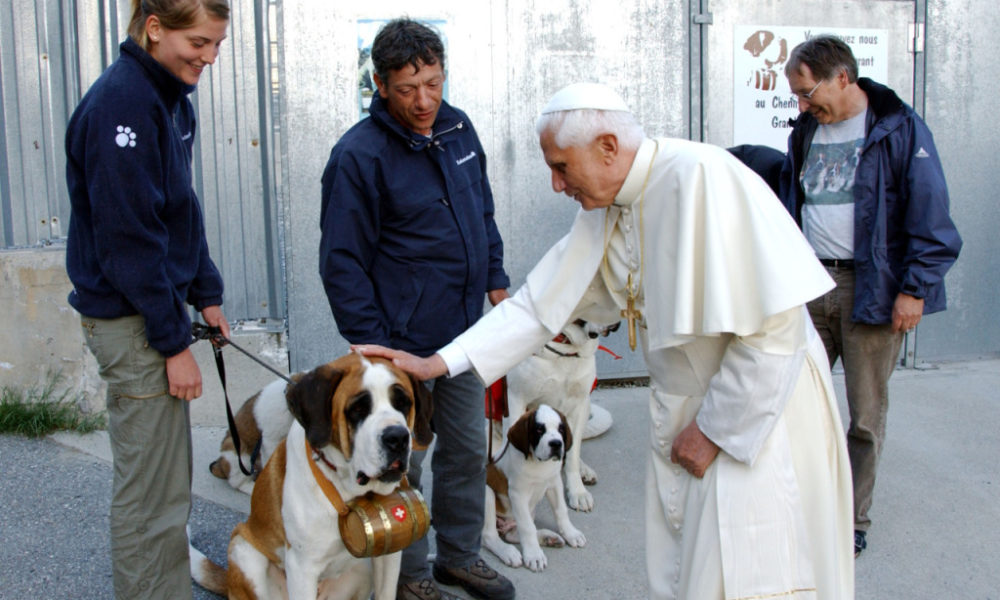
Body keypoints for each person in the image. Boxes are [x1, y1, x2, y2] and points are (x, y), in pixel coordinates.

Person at [359, 82, 855, 600]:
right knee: (694, 567)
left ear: (608, 147)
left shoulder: (704, 178)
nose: (557, 185)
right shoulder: (608, 206)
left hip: (756, 409)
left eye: (561, 167)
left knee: (754, 565)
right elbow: (536, 306)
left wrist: (715, 430)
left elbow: (775, 330)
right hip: (691, 405)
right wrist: (436, 364)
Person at [318, 18, 514, 600]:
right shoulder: (358, 157)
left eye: (433, 83)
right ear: (380, 85)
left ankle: (460, 556)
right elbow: (341, 261)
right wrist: (373, 347)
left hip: (464, 336)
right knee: (404, 460)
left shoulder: (458, 128)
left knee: (467, 449)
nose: (424, 101)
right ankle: (409, 574)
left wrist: (496, 280)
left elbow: (482, 213)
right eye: (407, 89)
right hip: (400, 344)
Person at [63, 0, 231, 598]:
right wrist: (172, 343)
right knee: (149, 497)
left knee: (166, 484)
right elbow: (128, 241)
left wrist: (205, 291)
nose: (210, 57)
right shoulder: (122, 105)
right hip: (132, 321)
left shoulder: (169, 97)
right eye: (199, 43)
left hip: (151, 312)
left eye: (217, 44)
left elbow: (178, 209)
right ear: (155, 29)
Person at [778, 35, 962, 557]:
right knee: (792, 401)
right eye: (796, 96)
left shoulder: (899, 129)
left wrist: (914, 289)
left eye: (807, 92)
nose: (802, 105)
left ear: (842, 77)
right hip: (810, 282)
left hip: (872, 288)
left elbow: (931, 213)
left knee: (864, 415)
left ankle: (851, 519)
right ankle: (796, 503)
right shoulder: (807, 130)